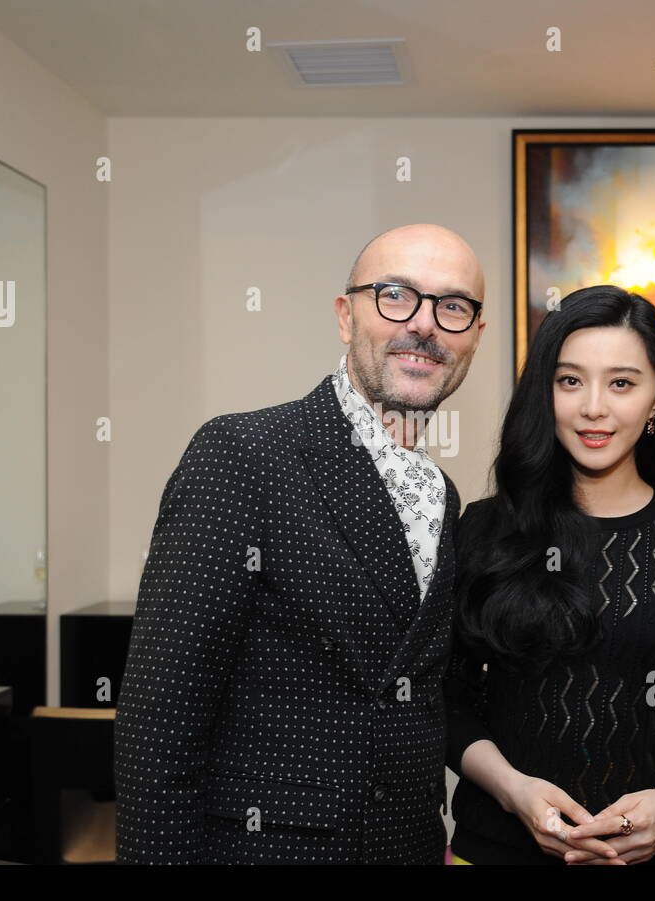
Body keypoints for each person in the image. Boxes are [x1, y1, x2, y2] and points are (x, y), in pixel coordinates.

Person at [115, 223, 486, 864]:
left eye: (453, 306)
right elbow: (159, 723)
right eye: (396, 295)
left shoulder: (443, 494)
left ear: (475, 337)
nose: (425, 324)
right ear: (347, 317)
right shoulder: (242, 455)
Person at [444, 285, 655, 865]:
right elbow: (449, 701)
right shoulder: (484, 530)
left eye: (621, 382)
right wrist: (514, 792)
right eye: (569, 381)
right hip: (498, 850)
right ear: (545, 391)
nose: (593, 407)